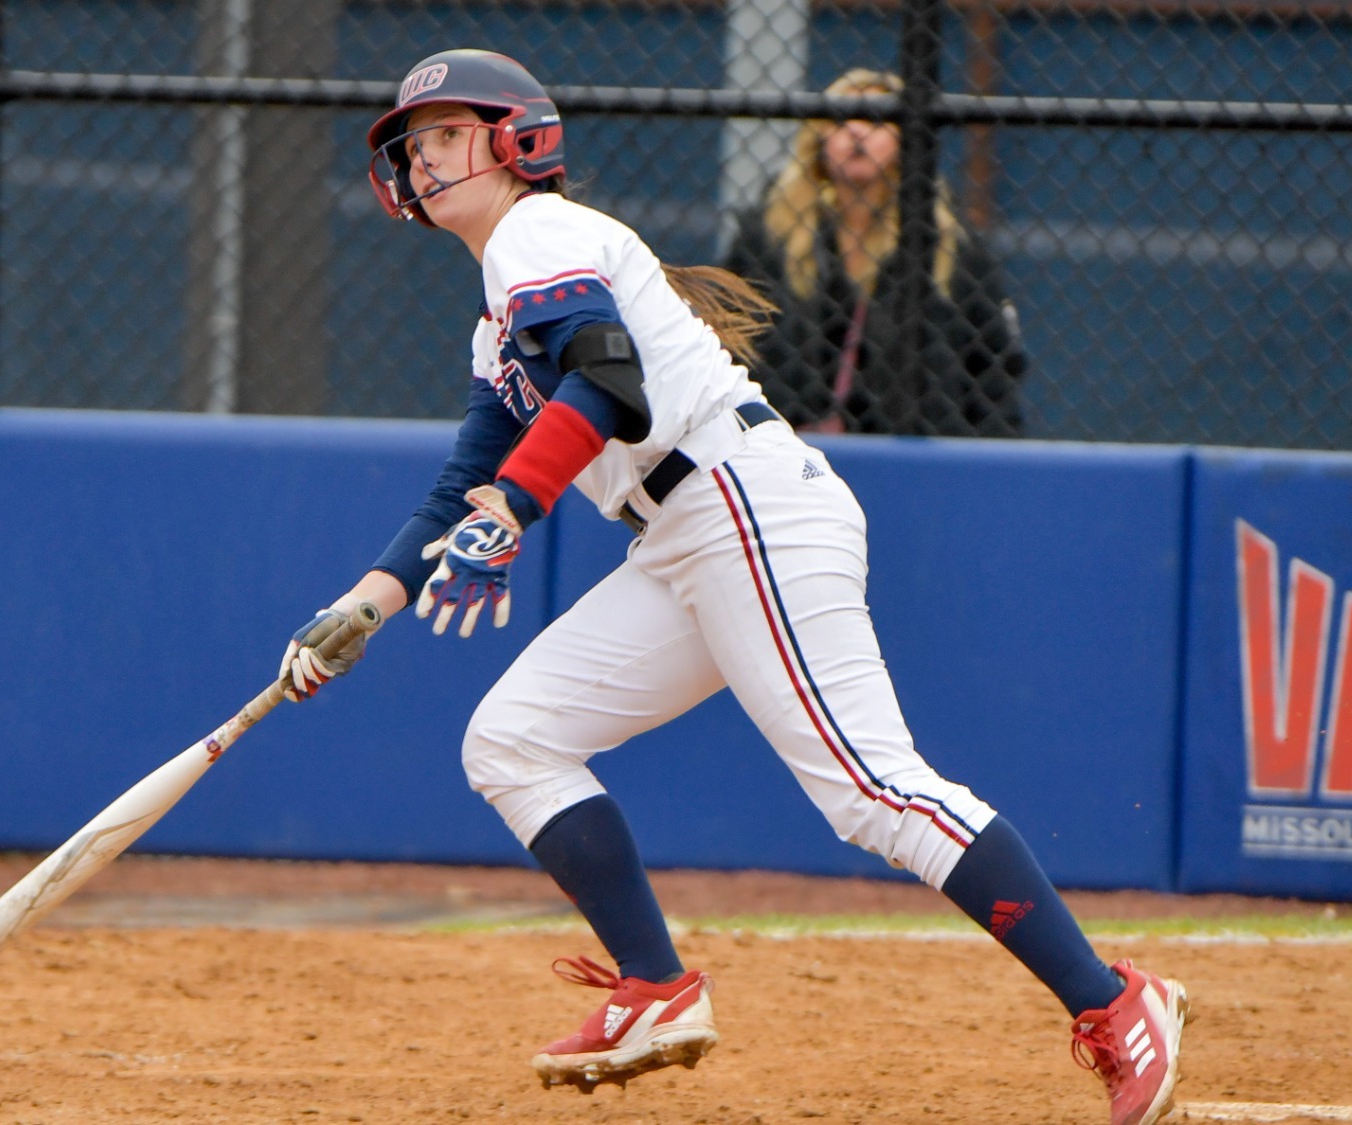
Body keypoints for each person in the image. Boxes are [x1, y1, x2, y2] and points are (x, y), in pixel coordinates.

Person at [278, 49, 1186, 1125]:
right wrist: (361, 608)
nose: (424, 159)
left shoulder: (538, 229)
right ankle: (654, 989)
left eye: (445, 134)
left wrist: (518, 510)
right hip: (679, 536)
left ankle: (1114, 1001)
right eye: (413, 145)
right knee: (511, 738)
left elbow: (605, 379)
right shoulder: (496, 314)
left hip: (737, 501)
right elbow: (463, 480)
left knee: (869, 791)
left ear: (517, 140)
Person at [722, 68, 1027, 437]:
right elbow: (729, 337)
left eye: (877, 120)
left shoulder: (945, 241)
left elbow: (992, 361)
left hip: (917, 442)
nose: (857, 131)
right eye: (840, 120)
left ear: (905, 142)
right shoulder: (769, 234)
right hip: (784, 438)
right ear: (818, 140)